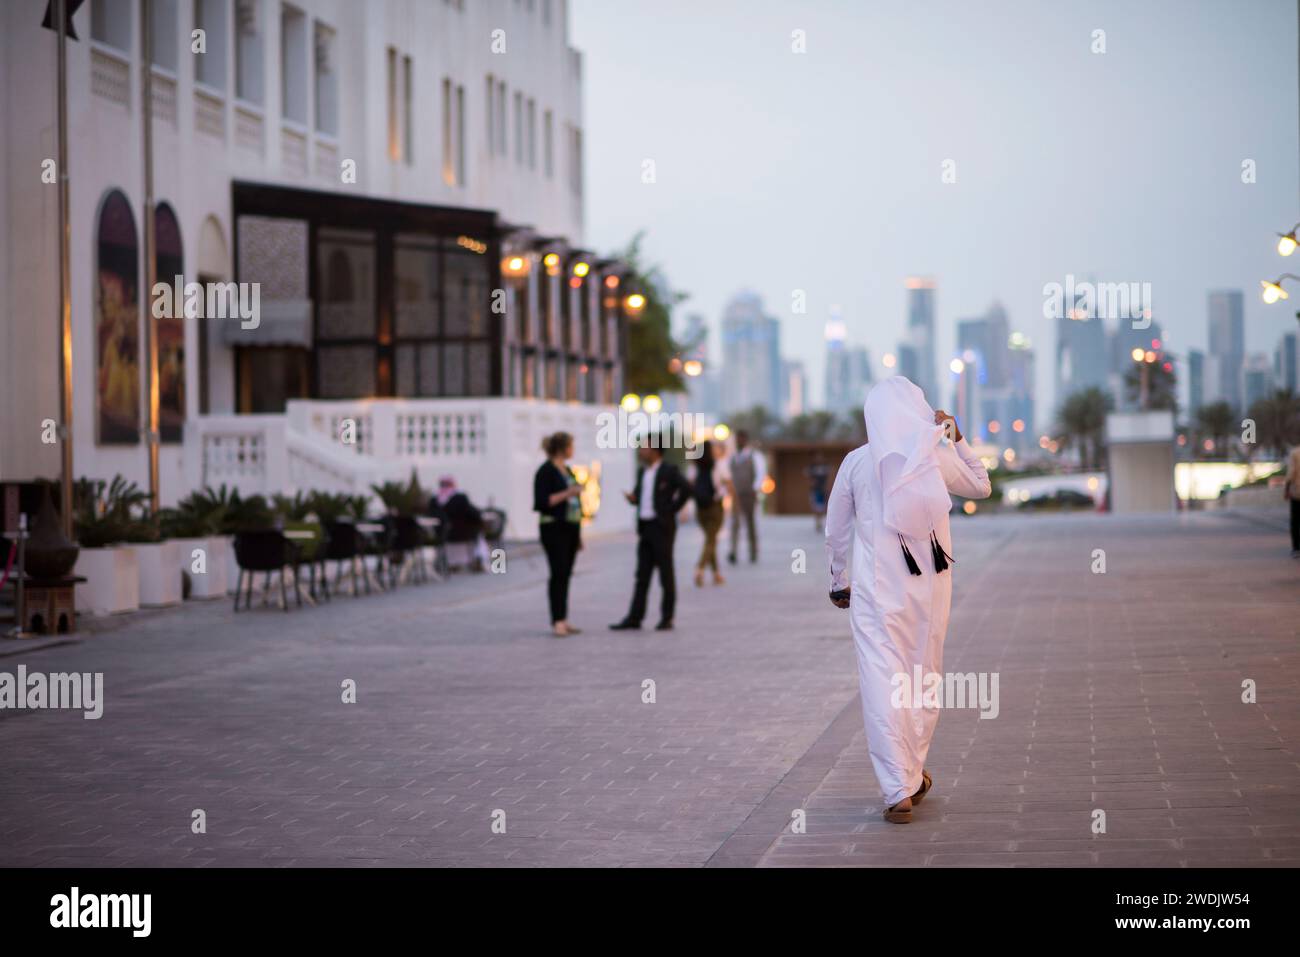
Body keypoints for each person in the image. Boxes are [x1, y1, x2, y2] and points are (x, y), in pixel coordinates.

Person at [824, 376, 991, 824]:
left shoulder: (857, 463)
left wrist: (839, 578)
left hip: (876, 594)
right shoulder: (935, 453)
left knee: (881, 681)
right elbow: (981, 485)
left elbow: (836, 528)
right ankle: (910, 774)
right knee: (922, 675)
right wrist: (957, 437)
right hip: (930, 587)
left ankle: (899, 785)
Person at [610, 435, 693, 632]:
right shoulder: (642, 472)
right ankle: (635, 617)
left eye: (644, 448)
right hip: (645, 527)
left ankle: (667, 617)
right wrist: (633, 499)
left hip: (662, 527)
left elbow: (687, 489)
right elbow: (641, 496)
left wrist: (672, 509)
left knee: (666, 574)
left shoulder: (669, 471)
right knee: (642, 575)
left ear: (655, 450)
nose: (641, 451)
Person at [533, 432, 586, 637]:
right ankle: (556, 620)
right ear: (562, 448)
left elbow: (575, 505)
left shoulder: (569, 470)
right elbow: (542, 502)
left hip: (571, 527)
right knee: (558, 572)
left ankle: (563, 618)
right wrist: (568, 493)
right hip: (553, 527)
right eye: (571, 446)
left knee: (566, 574)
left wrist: (579, 534)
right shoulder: (546, 471)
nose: (573, 450)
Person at [690, 439, 734, 587]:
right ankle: (700, 568)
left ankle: (716, 574)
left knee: (710, 539)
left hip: (700, 508)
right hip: (715, 506)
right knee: (711, 539)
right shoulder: (719, 465)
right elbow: (729, 484)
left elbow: (689, 486)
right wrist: (733, 502)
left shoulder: (694, 467)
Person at [727, 430, 766, 564]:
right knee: (735, 523)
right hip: (736, 494)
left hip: (749, 494)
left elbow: (760, 474)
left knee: (750, 524)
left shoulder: (753, 456)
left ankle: (753, 551)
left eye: (740, 439)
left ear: (745, 440)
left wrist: (755, 489)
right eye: (737, 439)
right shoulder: (733, 457)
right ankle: (733, 551)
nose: (738, 442)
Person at [436, 476, 489, 571]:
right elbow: (473, 513)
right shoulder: (460, 498)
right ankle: (477, 561)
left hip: (444, 534)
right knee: (479, 535)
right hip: (465, 533)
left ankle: (453, 564)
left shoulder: (435, 499)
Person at [807, 451, 830, 533]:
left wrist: (826, 487)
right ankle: (817, 522)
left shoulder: (825, 467)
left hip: (823, 489)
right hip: (814, 490)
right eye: (817, 457)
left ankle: (820, 521)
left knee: (822, 507)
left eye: (820, 457)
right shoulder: (812, 467)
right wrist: (812, 483)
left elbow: (828, 477)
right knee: (815, 506)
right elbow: (809, 478)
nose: (819, 458)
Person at [1286, 443, 1300, 557]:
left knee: (1295, 520)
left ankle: (1296, 548)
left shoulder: (1295, 453)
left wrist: (1286, 489)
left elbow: (1291, 472)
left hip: (1297, 492)